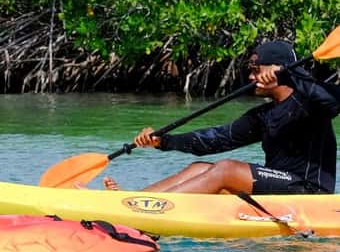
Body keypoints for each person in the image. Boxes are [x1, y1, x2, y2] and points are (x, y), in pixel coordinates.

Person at [103, 40, 340, 195]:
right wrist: (164, 141)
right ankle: (135, 200)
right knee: (199, 168)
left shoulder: (311, 103)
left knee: (227, 169)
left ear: (277, 69)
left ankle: (148, 211)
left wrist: (290, 75)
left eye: (256, 70)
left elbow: (334, 101)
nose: (250, 77)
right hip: (278, 188)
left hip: (309, 191)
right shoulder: (263, 115)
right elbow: (216, 139)